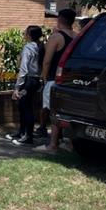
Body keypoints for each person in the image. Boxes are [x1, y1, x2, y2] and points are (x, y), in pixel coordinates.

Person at [35, 8, 77, 153]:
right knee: (68, 113)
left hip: (54, 80)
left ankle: (53, 145)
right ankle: (70, 143)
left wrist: (44, 77)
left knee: (53, 112)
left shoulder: (56, 37)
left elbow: (47, 60)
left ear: (59, 19)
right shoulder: (77, 37)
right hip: (70, 80)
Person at [6, 25, 44, 145]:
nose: (24, 34)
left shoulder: (28, 47)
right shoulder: (41, 46)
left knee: (26, 107)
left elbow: (24, 69)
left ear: (29, 35)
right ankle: (22, 132)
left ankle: (28, 136)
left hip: (29, 80)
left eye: (25, 32)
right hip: (35, 80)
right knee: (23, 105)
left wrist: (17, 87)